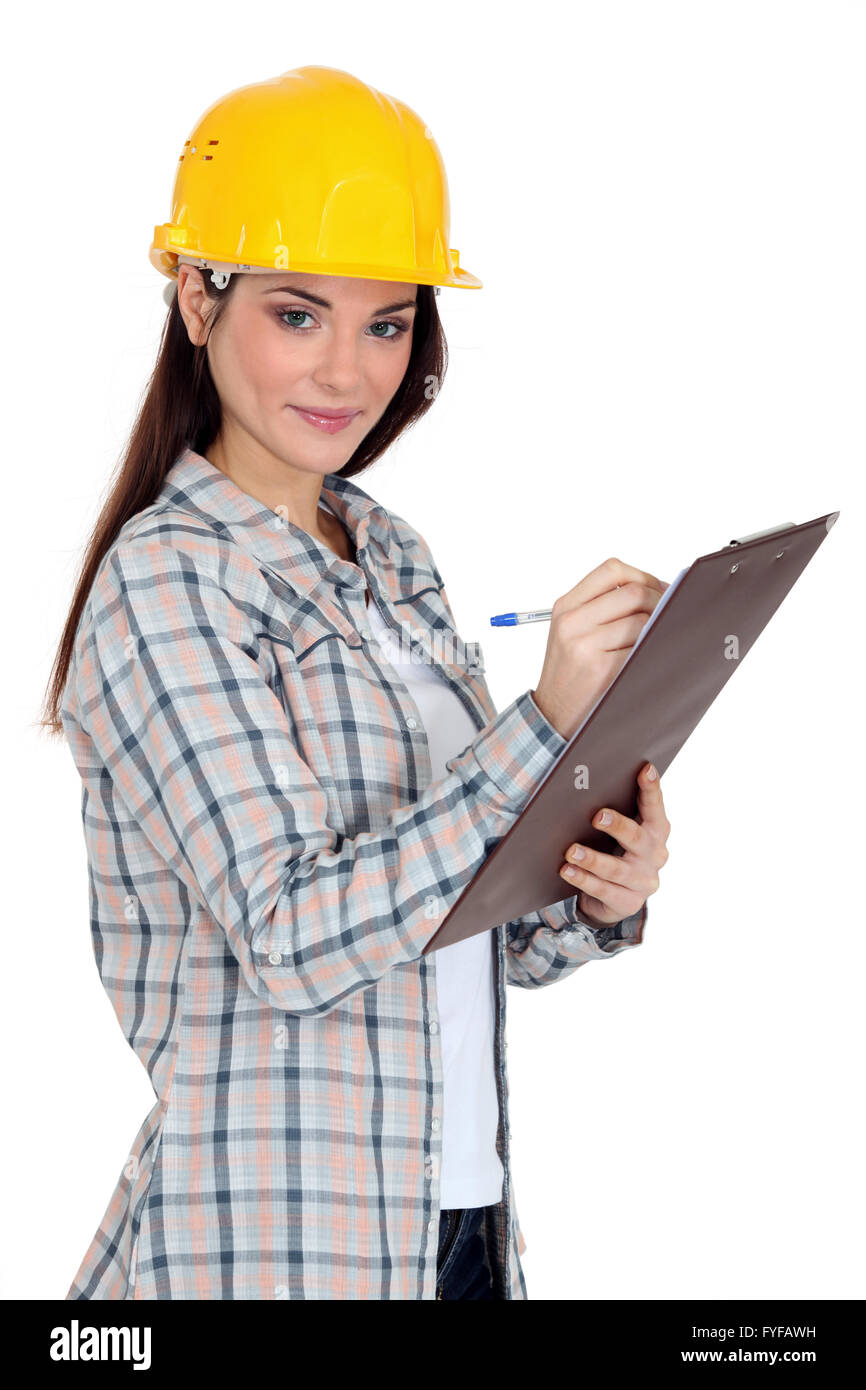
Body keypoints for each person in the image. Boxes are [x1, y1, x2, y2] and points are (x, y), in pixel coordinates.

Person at [41, 65, 671, 1301]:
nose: (346, 370)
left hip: (460, 1234)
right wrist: (536, 725)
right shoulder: (169, 585)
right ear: (195, 298)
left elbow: (458, 925)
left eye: (386, 322)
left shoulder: (389, 556)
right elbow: (290, 934)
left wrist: (592, 882)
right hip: (279, 1256)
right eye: (296, 313)